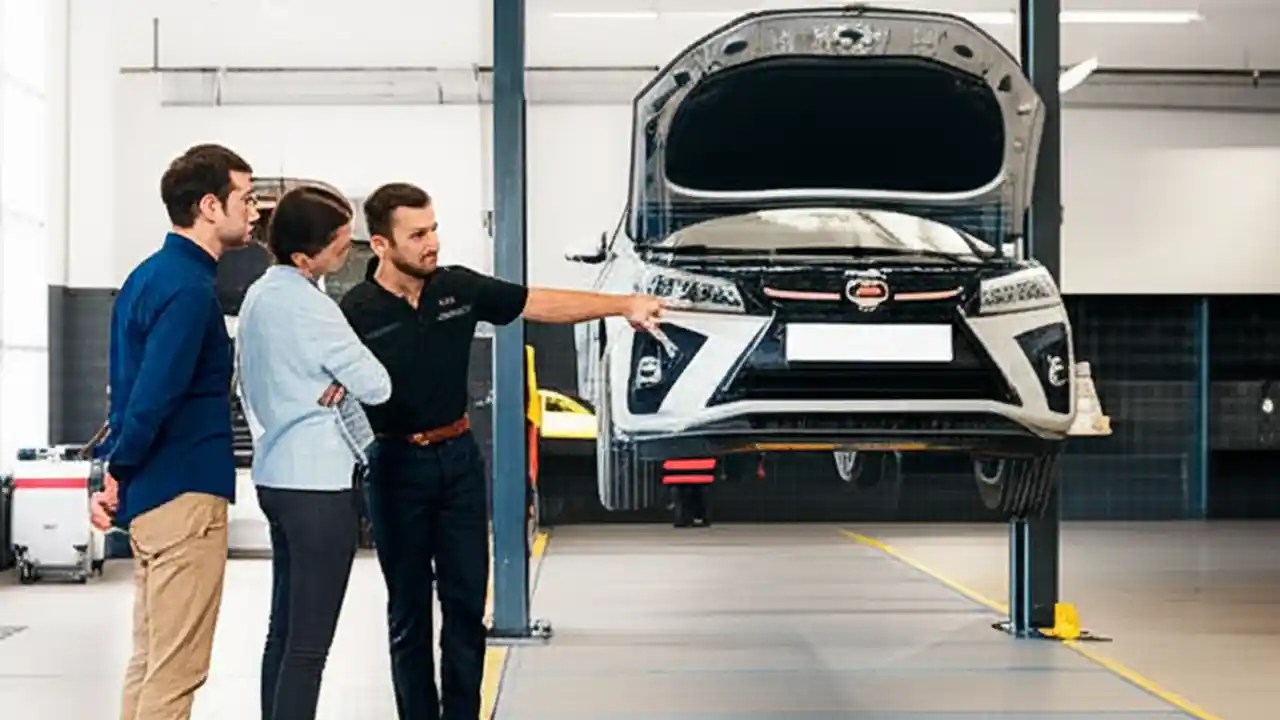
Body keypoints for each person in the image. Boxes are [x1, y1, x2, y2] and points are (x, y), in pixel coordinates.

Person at [338, 182, 664, 720]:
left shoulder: (456, 289)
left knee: (466, 607)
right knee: (410, 614)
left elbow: (539, 301)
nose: (432, 242)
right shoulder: (358, 311)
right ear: (380, 245)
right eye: (417, 234)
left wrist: (622, 304)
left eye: (434, 228)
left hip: (459, 463)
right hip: (396, 469)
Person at [89, 143, 259, 720]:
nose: (254, 211)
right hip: (184, 495)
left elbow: (129, 392)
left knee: (152, 660)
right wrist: (119, 465)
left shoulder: (148, 277)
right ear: (210, 206)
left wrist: (116, 469)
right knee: (178, 671)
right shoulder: (188, 290)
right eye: (246, 196)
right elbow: (155, 393)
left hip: (154, 497)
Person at [234, 184, 392, 720]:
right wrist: (344, 379)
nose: (350, 249)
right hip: (319, 488)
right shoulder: (311, 306)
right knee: (309, 648)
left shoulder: (259, 296)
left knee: (283, 635)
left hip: (275, 477)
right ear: (305, 256)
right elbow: (377, 384)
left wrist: (333, 380)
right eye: (342, 243)